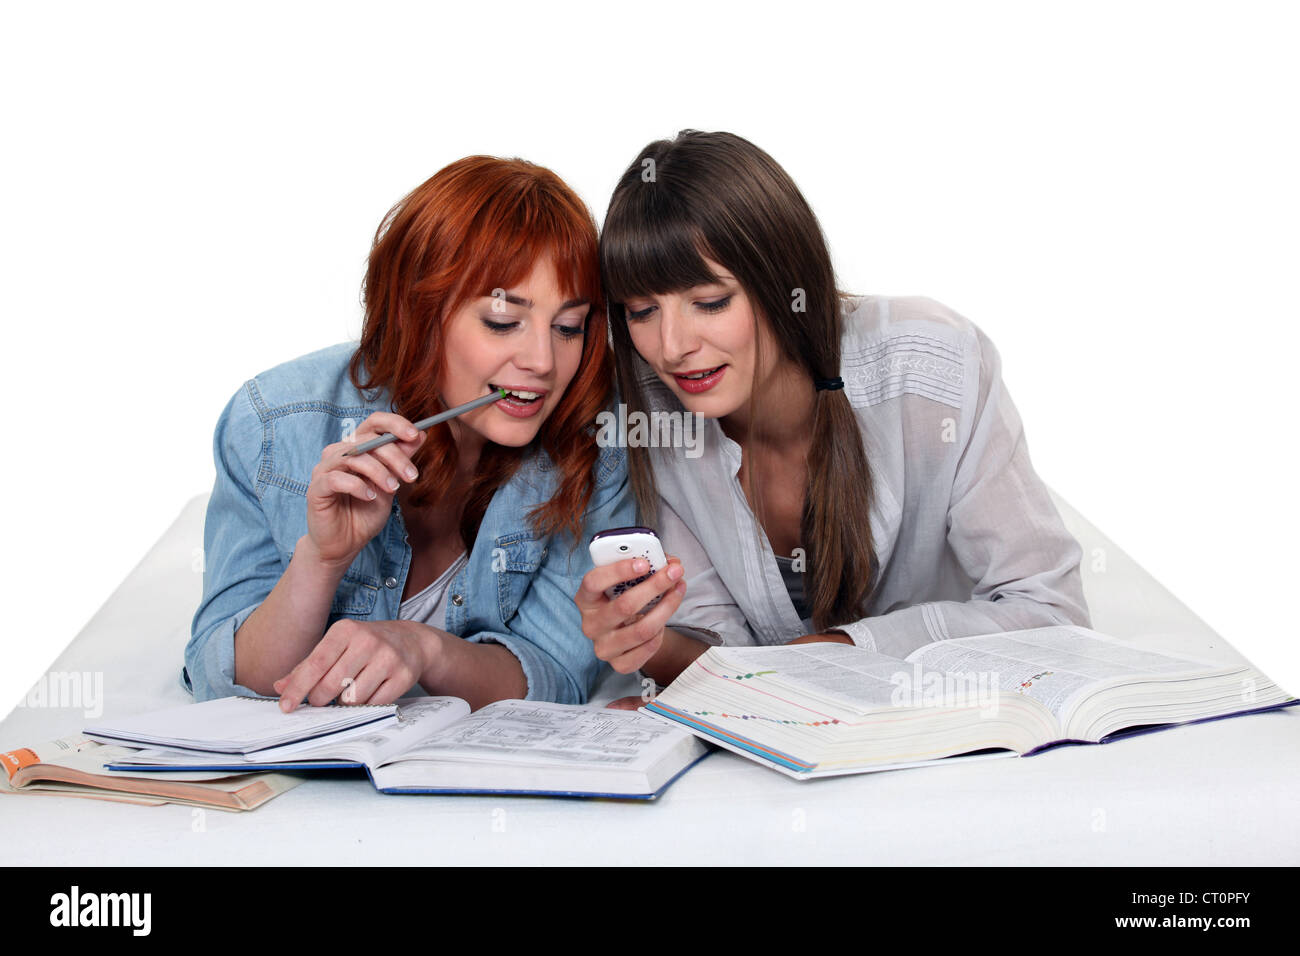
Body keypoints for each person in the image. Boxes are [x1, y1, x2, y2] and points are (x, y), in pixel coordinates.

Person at [575, 130, 1090, 689]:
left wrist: (843, 648)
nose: (671, 346)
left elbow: (1052, 614)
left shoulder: (929, 366)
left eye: (710, 302)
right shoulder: (651, 413)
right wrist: (647, 641)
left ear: (783, 281)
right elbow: (726, 662)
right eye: (641, 311)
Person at [185, 155, 631, 711]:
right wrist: (322, 560)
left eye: (568, 327)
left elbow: (556, 674)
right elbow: (225, 681)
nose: (543, 361)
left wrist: (424, 650)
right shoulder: (272, 420)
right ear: (418, 313)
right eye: (501, 321)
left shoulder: (596, 437)